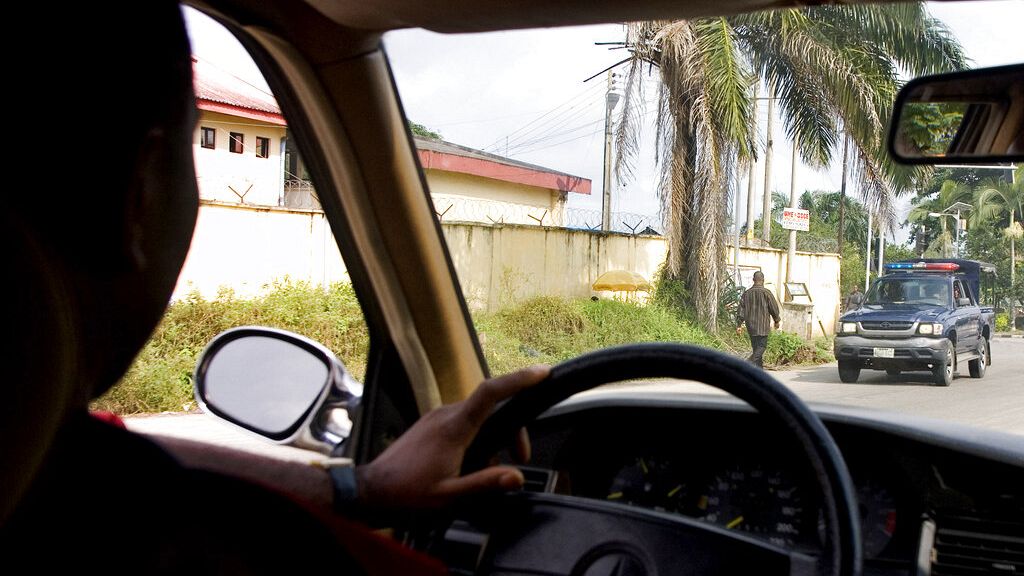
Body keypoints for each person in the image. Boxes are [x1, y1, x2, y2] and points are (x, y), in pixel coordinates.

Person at [1, 3, 547, 572]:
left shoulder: (47, 463)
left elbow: (106, 456)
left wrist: (361, 487)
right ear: (141, 191)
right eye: (194, 147)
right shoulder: (192, 543)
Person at [735, 271, 781, 369]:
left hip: (751, 326)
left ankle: (759, 371)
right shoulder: (767, 293)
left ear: (753, 280)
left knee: (756, 349)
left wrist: (739, 324)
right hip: (763, 326)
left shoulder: (746, 294)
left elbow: (741, 310)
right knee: (761, 347)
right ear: (763, 280)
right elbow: (774, 308)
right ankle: (746, 364)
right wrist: (776, 320)